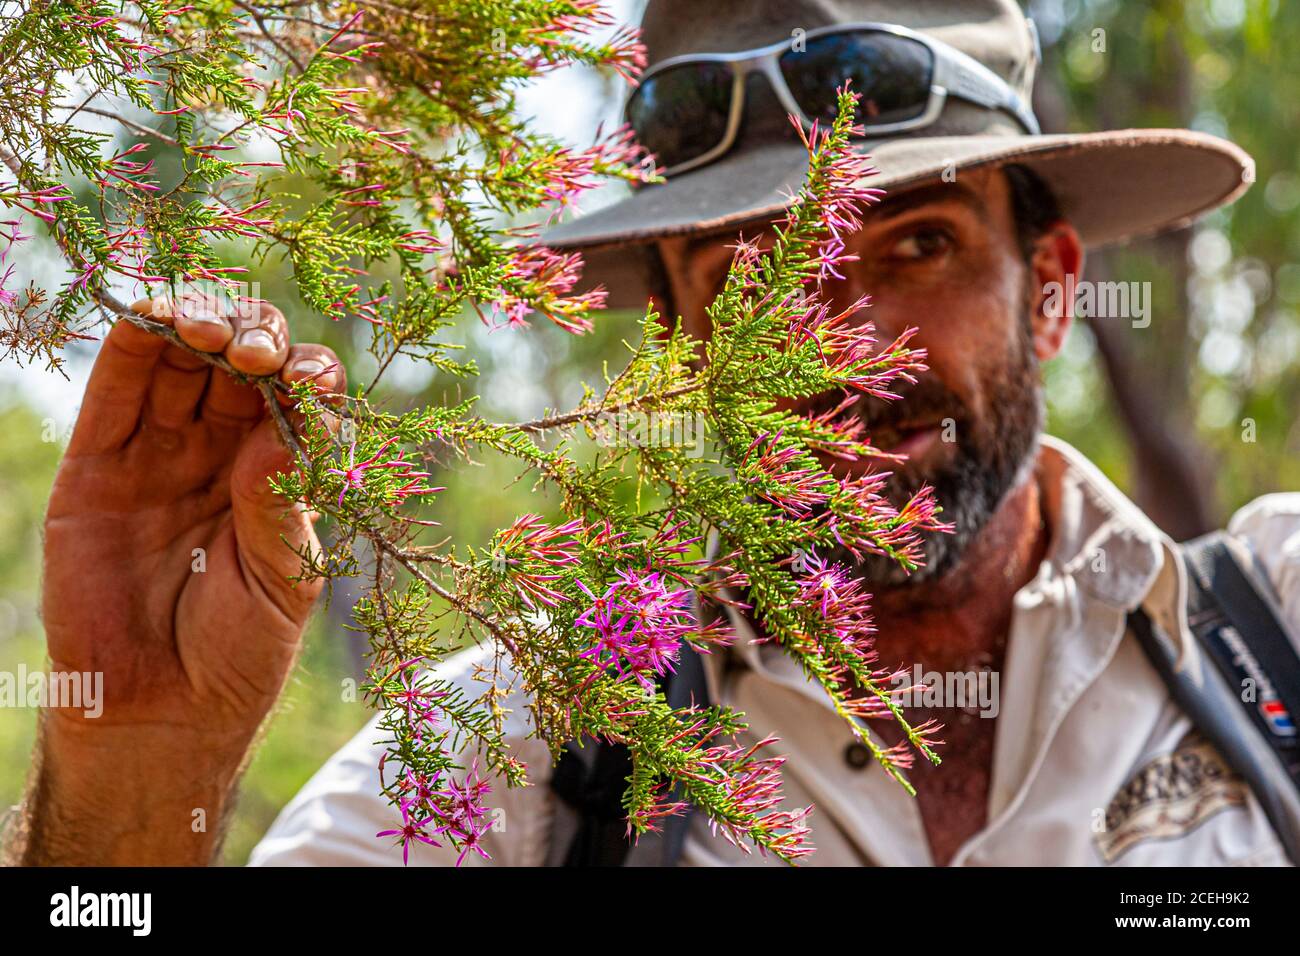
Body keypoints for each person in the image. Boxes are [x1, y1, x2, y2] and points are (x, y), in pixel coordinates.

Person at [8, 0, 1296, 867]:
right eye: (753, 278)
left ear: (1056, 285)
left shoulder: (1272, 635)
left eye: (918, 245)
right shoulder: (529, 745)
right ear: (679, 340)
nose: (835, 343)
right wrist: (133, 786)